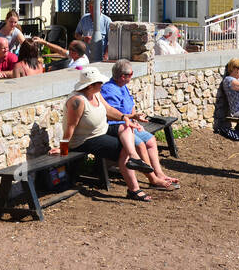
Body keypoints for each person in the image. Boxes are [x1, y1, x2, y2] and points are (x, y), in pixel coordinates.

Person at [58, 67, 151, 202]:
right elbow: (69, 128)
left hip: (101, 130)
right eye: (99, 82)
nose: (102, 84)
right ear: (90, 86)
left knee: (125, 126)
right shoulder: (77, 101)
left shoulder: (96, 94)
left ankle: (134, 157)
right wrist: (63, 149)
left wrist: (127, 117)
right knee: (121, 149)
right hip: (85, 139)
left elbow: (108, 110)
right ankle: (134, 189)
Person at [101, 59, 179, 190]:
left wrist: (135, 119)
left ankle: (159, 174)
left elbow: (130, 104)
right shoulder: (110, 90)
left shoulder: (122, 86)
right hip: (118, 126)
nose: (132, 77)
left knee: (151, 140)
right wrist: (132, 119)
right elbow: (112, 114)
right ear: (123, 76)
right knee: (141, 145)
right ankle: (152, 179)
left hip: (129, 123)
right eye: (131, 74)